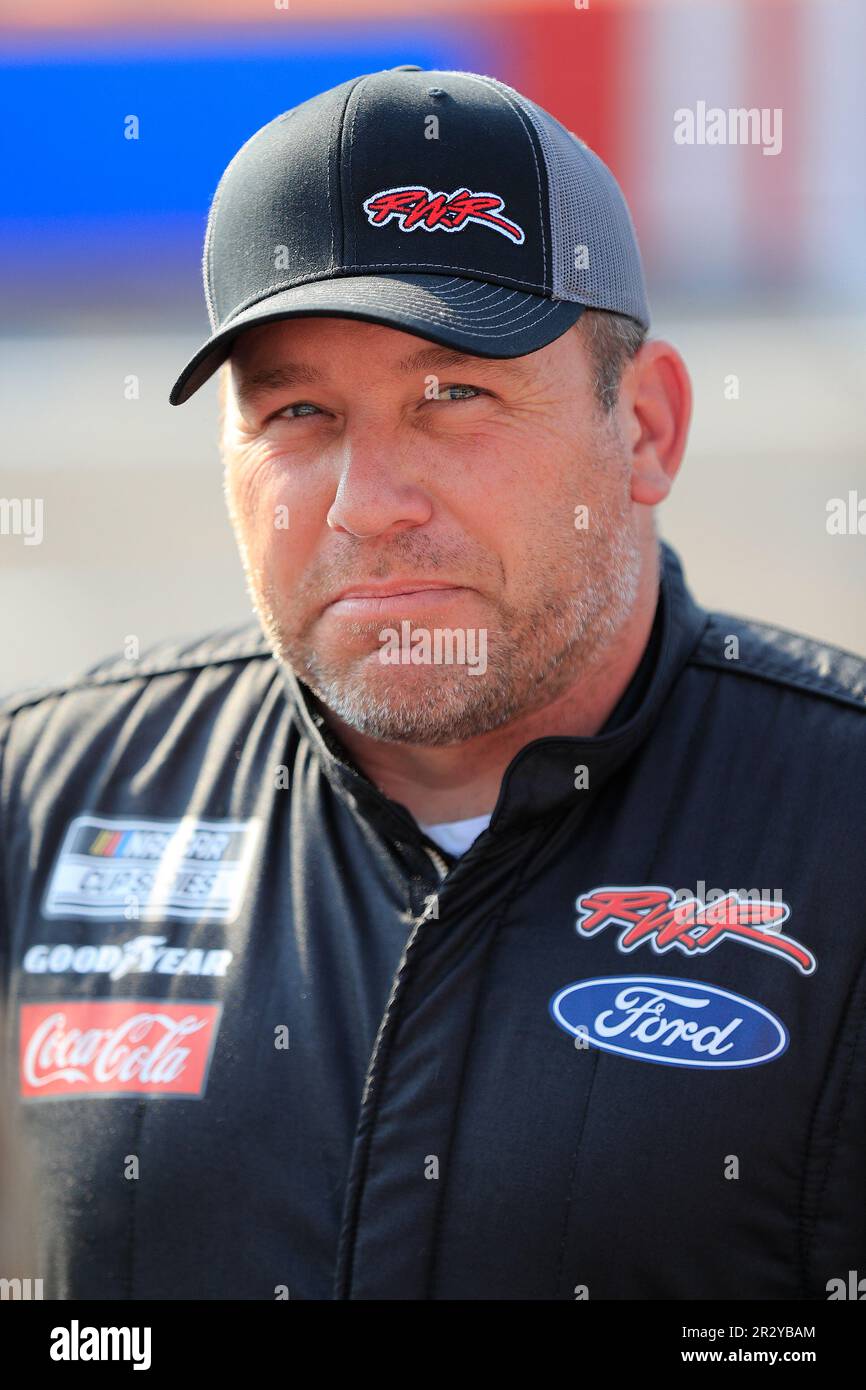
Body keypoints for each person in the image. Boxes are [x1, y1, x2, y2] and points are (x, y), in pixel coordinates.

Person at [2, 66, 864, 1301]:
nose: (366, 508)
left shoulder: (838, 821)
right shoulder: (50, 793)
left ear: (647, 429)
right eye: (296, 413)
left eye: (453, 395)